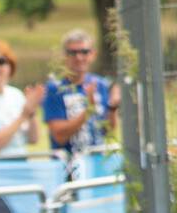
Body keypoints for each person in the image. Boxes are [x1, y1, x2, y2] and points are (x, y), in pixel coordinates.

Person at [43, 28, 121, 177]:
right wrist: (87, 112)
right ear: (64, 56)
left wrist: (112, 107)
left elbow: (108, 131)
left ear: (93, 54)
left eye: (84, 52)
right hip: (68, 169)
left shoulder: (101, 85)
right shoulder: (56, 89)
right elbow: (59, 135)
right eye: (73, 53)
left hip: (98, 164)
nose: (79, 57)